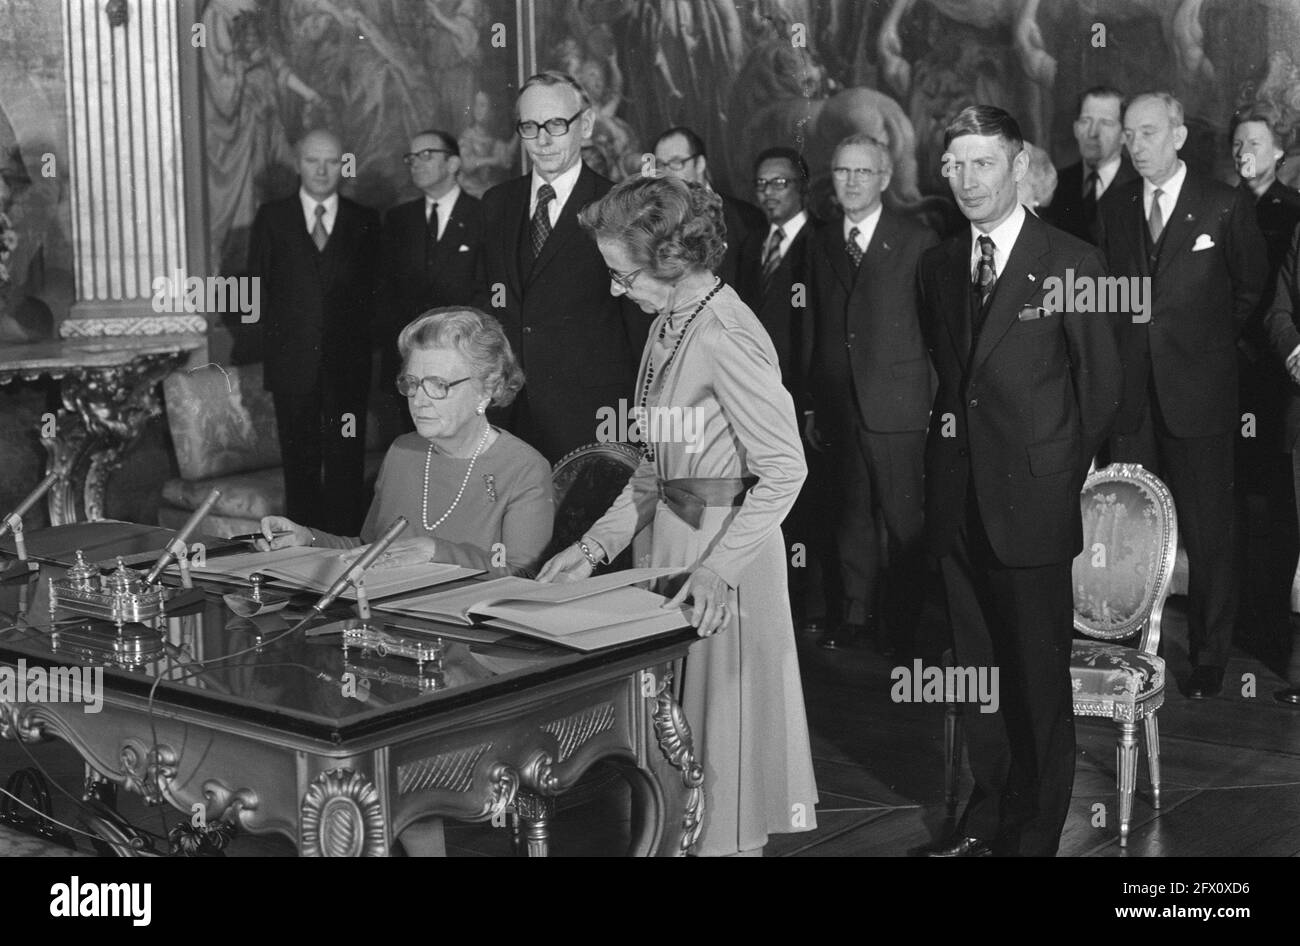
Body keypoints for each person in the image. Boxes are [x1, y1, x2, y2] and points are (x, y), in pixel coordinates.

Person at [537, 176, 818, 857]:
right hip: (671, 555)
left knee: (723, 784)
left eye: (620, 272)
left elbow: (787, 467)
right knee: (677, 768)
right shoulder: (669, 322)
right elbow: (657, 468)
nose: (613, 288)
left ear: (668, 259)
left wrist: (720, 569)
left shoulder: (724, 332)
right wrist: (595, 549)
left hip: (722, 569)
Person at [913, 106, 1122, 857]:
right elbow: (952, 385)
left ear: (1017, 166)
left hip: (1031, 505)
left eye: (983, 164)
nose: (967, 180)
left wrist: (1053, 470)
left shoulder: (1072, 260)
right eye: (956, 165)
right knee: (976, 677)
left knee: (1035, 684)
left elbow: (1100, 390)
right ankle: (984, 818)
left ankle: (1034, 837)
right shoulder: (937, 265)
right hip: (956, 502)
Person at [1097, 92, 1269, 700]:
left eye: (1147, 133)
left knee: (1208, 529)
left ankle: (1209, 655)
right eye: (1128, 134)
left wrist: (1209, 352)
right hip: (1134, 398)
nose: (1135, 145)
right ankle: (1132, 645)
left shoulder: (1223, 206)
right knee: (1132, 529)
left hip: (1200, 396)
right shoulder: (1115, 210)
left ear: (1177, 135)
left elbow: (1251, 291)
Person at [257, 308, 554, 579]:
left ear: (487, 389)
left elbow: (526, 580)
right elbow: (371, 549)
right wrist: (307, 538)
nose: (419, 400)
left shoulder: (523, 467)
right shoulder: (403, 450)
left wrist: (436, 552)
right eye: (412, 383)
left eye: (438, 385)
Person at [804, 133, 938, 654]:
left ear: (884, 179)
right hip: (839, 403)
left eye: (863, 172)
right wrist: (813, 401)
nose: (852, 181)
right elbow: (814, 325)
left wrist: (930, 402)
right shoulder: (820, 241)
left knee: (906, 521)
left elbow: (933, 328)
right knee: (850, 515)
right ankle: (857, 615)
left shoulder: (916, 237)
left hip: (899, 403)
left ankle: (905, 626)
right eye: (842, 172)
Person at [480, 71, 645, 464]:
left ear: (584, 125)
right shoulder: (496, 203)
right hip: (509, 418)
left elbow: (640, 326)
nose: (543, 139)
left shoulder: (619, 206)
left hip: (593, 420)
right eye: (530, 126)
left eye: (556, 124)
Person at [247, 128, 380, 536]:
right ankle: (297, 554)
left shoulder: (364, 220)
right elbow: (257, 290)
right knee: (299, 461)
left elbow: (376, 296)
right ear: (298, 164)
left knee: (345, 459)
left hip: (347, 368)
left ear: (343, 165)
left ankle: (342, 550)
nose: (322, 170)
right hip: (293, 367)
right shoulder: (272, 217)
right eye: (312, 161)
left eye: (331, 161)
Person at [1230, 107, 1300, 677]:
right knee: (1249, 511)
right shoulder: (1219, 207)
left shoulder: (1290, 211)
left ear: (1279, 153)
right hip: (1241, 381)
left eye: (1254, 142)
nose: (1241, 150)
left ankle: (1273, 637)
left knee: (1278, 513)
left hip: (1275, 385)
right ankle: (1254, 632)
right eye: (1237, 142)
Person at [378, 130, 486, 441]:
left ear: (453, 163)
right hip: (408, 363)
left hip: (461, 362)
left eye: (427, 155)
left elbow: (486, 288)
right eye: (411, 158)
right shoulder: (399, 219)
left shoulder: (482, 215)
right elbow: (386, 292)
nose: (416, 164)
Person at [736, 147, 815, 389]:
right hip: (754, 382)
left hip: (803, 388)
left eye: (779, 182)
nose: (768, 192)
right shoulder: (751, 242)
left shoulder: (823, 240)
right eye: (761, 183)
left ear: (801, 186)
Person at [652, 126, 766, 288]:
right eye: (660, 165)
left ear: (700, 164)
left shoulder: (746, 219)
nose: (667, 173)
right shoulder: (650, 220)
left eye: (676, 163)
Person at [1043, 86, 1138, 244]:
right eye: (1085, 121)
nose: (1093, 132)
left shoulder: (1141, 185)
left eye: (1106, 123)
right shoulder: (1055, 183)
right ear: (1075, 128)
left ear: (1124, 134)